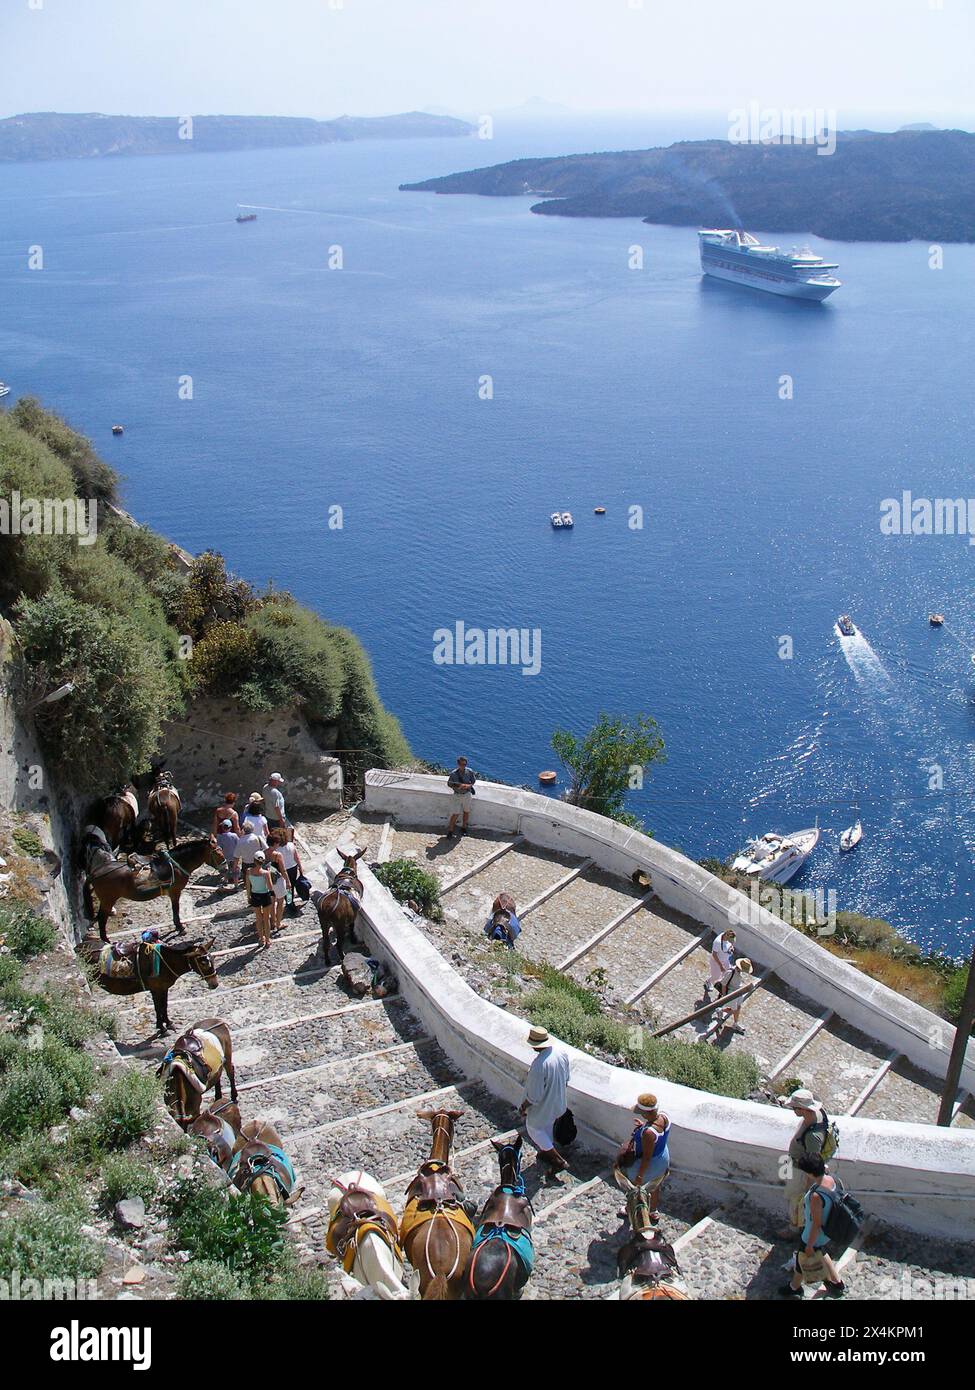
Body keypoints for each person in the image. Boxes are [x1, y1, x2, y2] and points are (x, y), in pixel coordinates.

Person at [780, 1155, 846, 1299]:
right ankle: (837, 1282)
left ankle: (794, 1287)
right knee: (821, 1252)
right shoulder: (833, 1180)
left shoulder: (816, 1196)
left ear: (810, 1173)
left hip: (813, 1235)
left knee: (801, 1261)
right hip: (827, 1231)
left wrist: (809, 1244)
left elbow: (816, 1224)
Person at [519, 1026, 571, 1180]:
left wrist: (523, 1107)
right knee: (546, 1127)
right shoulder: (561, 1053)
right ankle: (544, 1151)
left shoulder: (539, 1065)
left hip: (544, 1107)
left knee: (534, 1128)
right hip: (558, 1102)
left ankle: (558, 1160)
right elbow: (567, 1078)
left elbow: (535, 1096)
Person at [779, 1088, 829, 1237]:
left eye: (795, 1107)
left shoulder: (813, 1137)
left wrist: (808, 1186)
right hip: (793, 1163)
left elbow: (813, 1163)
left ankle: (793, 1229)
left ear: (803, 1109)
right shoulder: (818, 1115)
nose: (793, 1110)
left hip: (800, 1171)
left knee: (795, 1199)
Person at [614, 1094, 671, 1224]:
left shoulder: (648, 1133)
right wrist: (643, 1126)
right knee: (655, 1186)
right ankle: (653, 1211)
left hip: (651, 1163)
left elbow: (646, 1157)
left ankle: (630, 1209)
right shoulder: (664, 1117)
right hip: (662, 1156)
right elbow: (656, 1130)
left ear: (645, 1113)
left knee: (635, 1189)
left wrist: (640, 1175)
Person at [713, 957, 753, 1036]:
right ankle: (721, 1010)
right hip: (731, 993)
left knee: (738, 1008)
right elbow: (724, 984)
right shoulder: (731, 972)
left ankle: (734, 1023)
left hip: (737, 992)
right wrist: (725, 996)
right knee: (734, 1010)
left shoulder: (738, 972)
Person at [269, 828, 304, 916]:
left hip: (282, 870)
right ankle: (289, 902)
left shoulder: (276, 850)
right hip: (293, 868)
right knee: (290, 887)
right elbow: (296, 857)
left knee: (285, 887)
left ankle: (288, 903)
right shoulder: (291, 845)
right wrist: (300, 867)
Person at [246, 851, 275, 948]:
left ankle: (261, 938)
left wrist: (248, 896)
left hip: (255, 895)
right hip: (265, 895)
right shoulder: (266, 873)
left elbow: (248, 885)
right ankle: (267, 940)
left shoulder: (249, 871)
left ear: (254, 861)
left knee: (258, 919)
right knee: (266, 919)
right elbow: (270, 887)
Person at [446, 756, 476, 836]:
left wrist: (468, 786)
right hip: (457, 795)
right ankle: (450, 831)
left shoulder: (469, 772)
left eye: (464, 764)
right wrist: (458, 787)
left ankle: (464, 828)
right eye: (461, 764)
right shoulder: (453, 774)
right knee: (455, 813)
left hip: (467, 794)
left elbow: (473, 781)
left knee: (466, 811)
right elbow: (449, 784)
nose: (463, 765)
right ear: (458, 764)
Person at [705, 927, 736, 1001]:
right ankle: (708, 982)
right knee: (716, 976)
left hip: (725, 960)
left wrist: (731, 948)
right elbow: (714, 955)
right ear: (726, 935)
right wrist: (720, 966)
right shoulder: (718, 942)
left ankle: (722, 988)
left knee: (728, 974)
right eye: (729, 940)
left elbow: (731, 945)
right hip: (716, 961)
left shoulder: (729, 938)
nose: (730, 941)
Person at [262, 773, 292, 839]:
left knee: (272, 833)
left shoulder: (265, 787)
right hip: (276, 818)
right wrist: (281, 820)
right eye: (278, 781)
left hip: (269, 815)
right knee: (280, 834)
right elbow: (276, 807)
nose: (279, 783)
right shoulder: (275, 792)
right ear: (275, 781)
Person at [214, 819, 241, 889]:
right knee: (235, 870)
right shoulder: (234, 835)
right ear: (230, 827)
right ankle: (236, 885)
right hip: (234, 856)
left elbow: (219, 847)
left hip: (226, 857)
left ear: (222, 827)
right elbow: (238, 844)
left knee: (228, 869)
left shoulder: (220, 837)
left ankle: (225, 880)